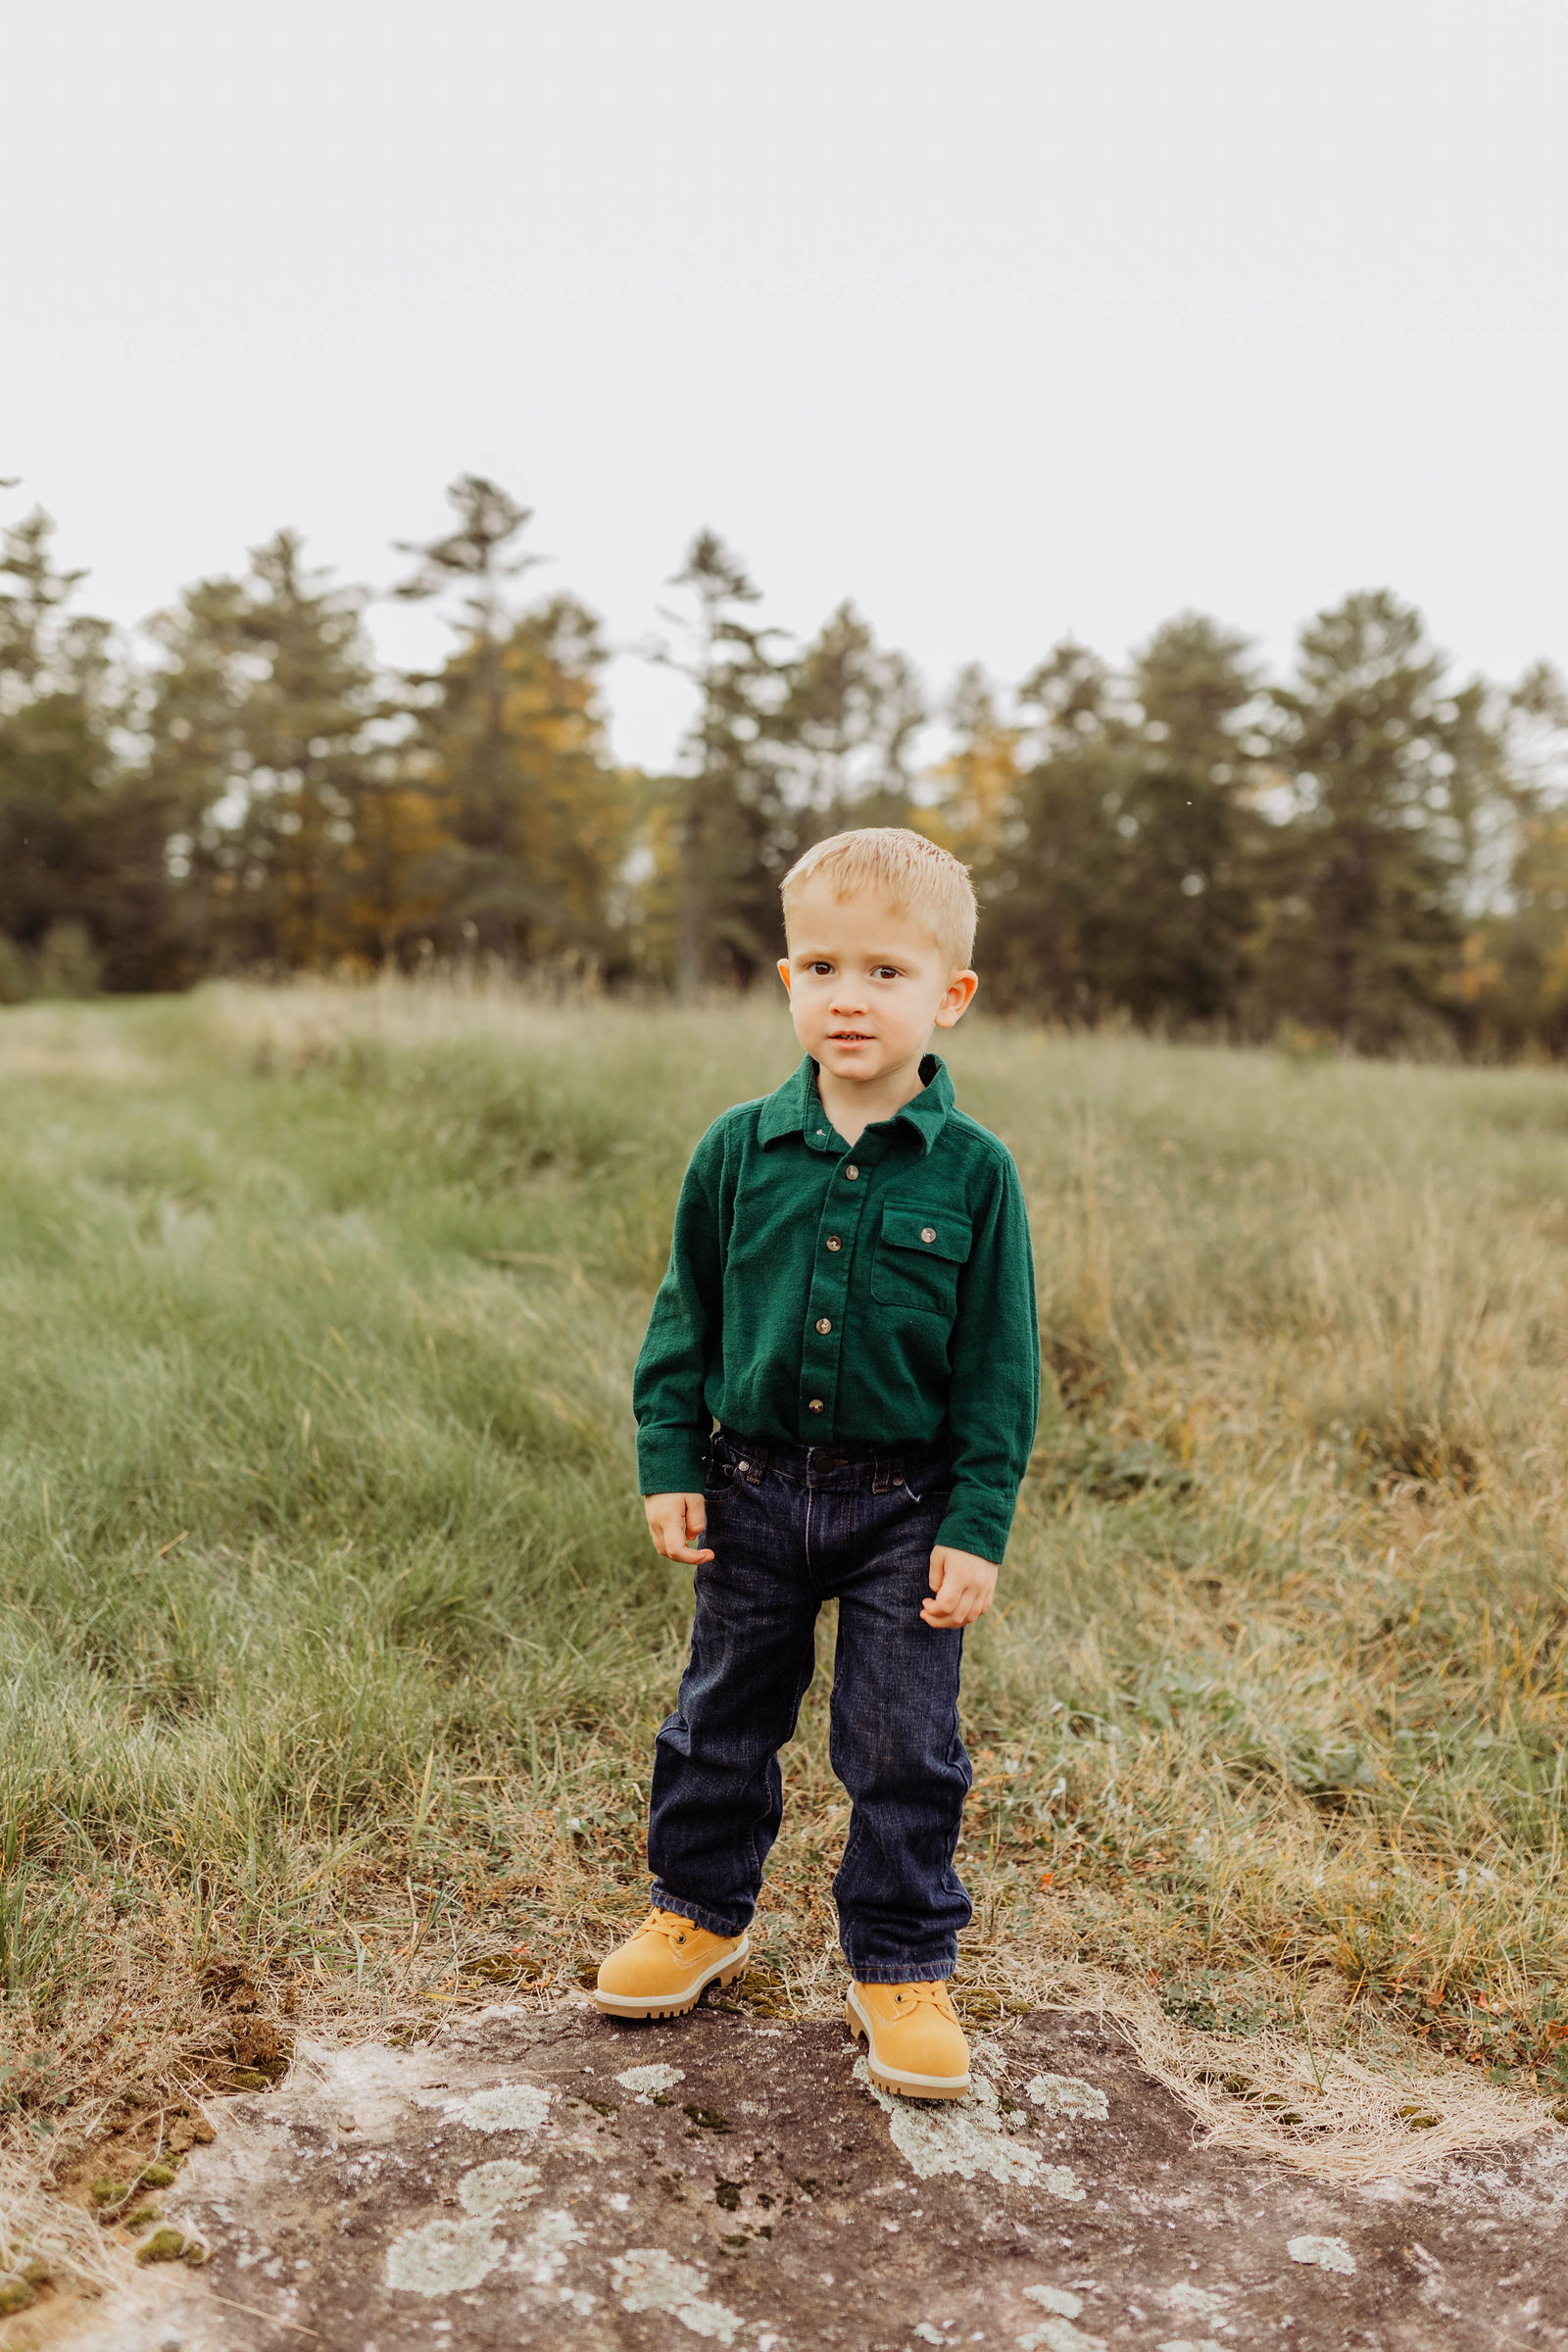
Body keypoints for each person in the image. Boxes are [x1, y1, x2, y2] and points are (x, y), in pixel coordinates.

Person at [595, 827, 1039, 2099]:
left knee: (904, 1741)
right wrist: (671, 1456)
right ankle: (698, 1909)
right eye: (822, 967)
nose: (850, 996)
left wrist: (977, 1521)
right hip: (749, 1485)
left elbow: (1001, 1370)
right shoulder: (739, 1148)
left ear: (949, 995)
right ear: (786, 978)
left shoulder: (975, 1174)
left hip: (907, 1507)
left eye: (886, 972)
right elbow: (687, 1314)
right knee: (723, 1711)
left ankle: (899, 1962)